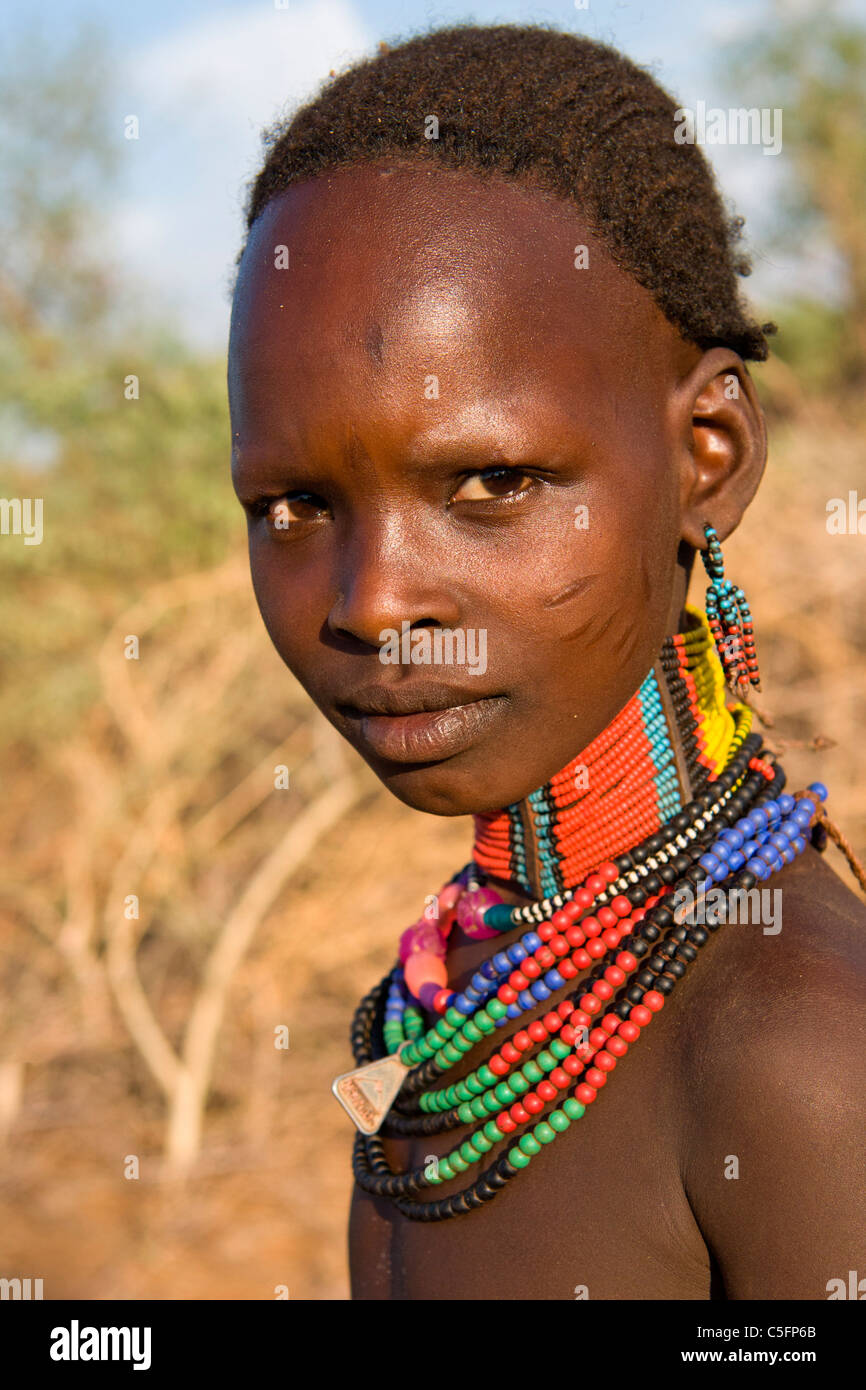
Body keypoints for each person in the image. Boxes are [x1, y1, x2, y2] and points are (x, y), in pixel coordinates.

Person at [227, 24, 866, 1299]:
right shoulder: (447, 1002)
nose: (372, 602)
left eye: (491, 479)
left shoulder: (792, 1046)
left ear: (708, 458)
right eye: (295, 504)